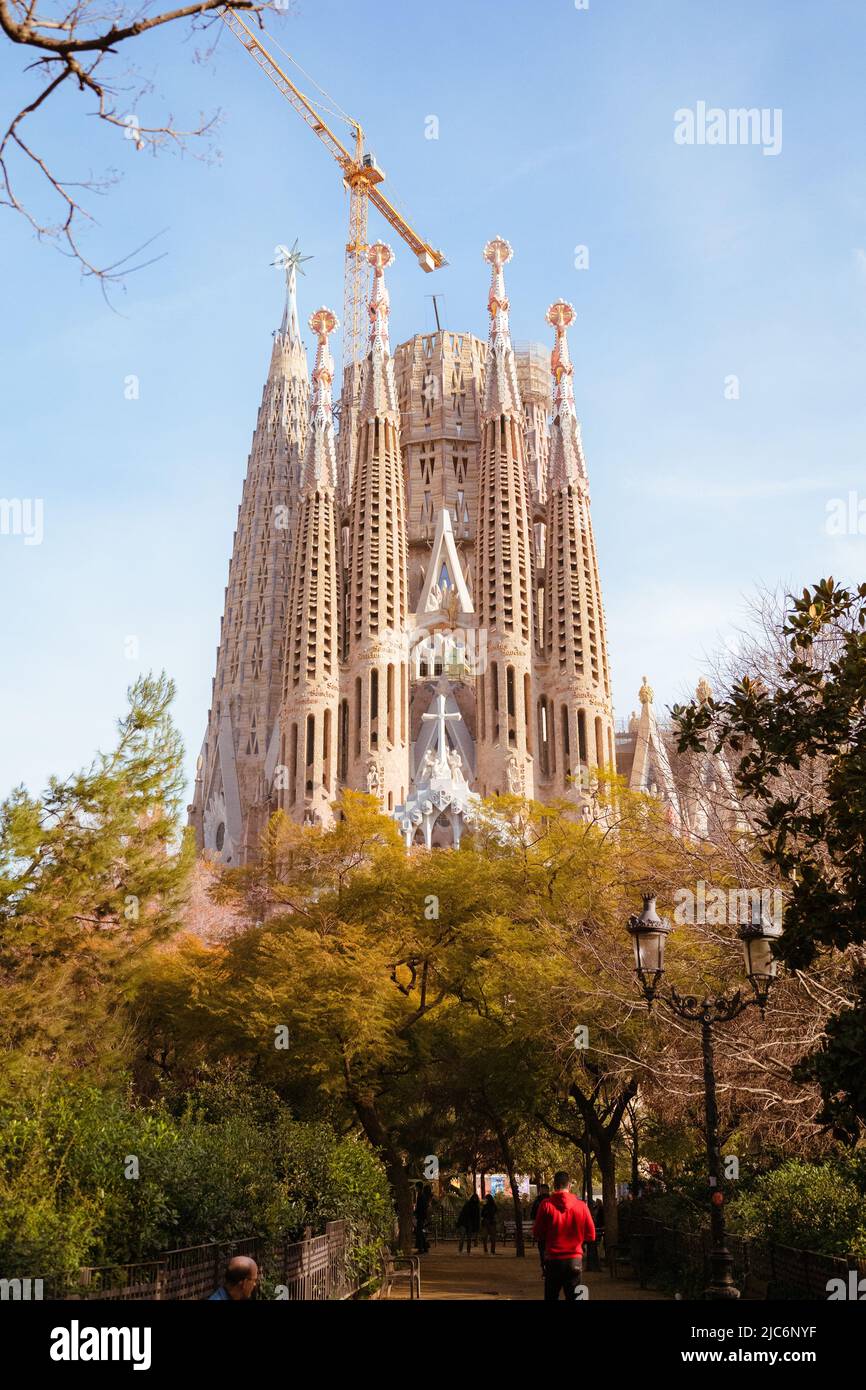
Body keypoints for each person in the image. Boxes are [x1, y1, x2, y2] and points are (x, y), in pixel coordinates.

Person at [532, 1170, 595, 1302]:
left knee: (551, 1296)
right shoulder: (581, 1206)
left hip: (553, 1259)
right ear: (569, 1185)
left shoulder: (546, 1205)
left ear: (554, 1185)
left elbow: (537, 1232)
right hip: (574, 1260)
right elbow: (591, 1235)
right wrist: (579, 1240)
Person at [529, 1183, 550, 1277]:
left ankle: (545, 1268)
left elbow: (533, 1215)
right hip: (547, 1230)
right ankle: (546, 1267)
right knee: (544, 1250)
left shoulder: (538, 1201)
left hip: (544, 1229)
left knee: (543, 1250)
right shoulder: (550, 1200)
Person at [414, 1183, 432, 1254]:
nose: (415, 1189)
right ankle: (424, 1247)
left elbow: (420, 1207)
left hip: (421, 1217)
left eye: (416, 1187)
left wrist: (416, 1212)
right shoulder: (422, 1196)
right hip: (422, 1216)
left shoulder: (421, 1196)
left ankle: (421, 1248)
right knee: (421, 1232)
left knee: (420, 1232)